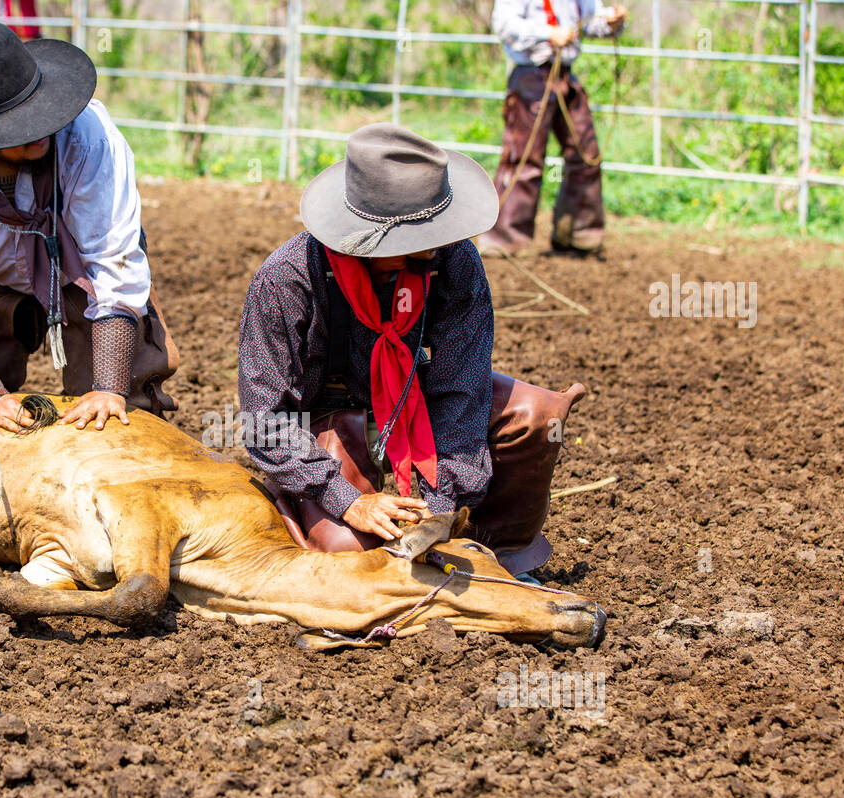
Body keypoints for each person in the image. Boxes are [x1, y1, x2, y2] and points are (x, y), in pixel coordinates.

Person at [238, 123, 586, 575]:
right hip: (328, 418)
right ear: (364, 239)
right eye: (415, 243)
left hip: (419, 403)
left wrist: (442, 506)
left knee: (535, 415)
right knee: (349, 551)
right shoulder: (287, 280)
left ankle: (493, 556)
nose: (434, 249)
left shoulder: (453, 260)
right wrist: (346, 500)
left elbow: (461, 385)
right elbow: (266, 421)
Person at [0, 20, 177, 437]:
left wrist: (110, 389)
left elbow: (114, 262)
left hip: (83, 276)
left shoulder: (89, 137)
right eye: (19, 128)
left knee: (122, 418)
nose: (40, 130)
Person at [479, 0, 628, 256]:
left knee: (586, 154)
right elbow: (504, 24)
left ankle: (578, 235)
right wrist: (548, 33)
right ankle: (504, 240)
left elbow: (590, 21)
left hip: (565, 74)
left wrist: (611, 22)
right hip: (531, 75)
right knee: (525, 159)